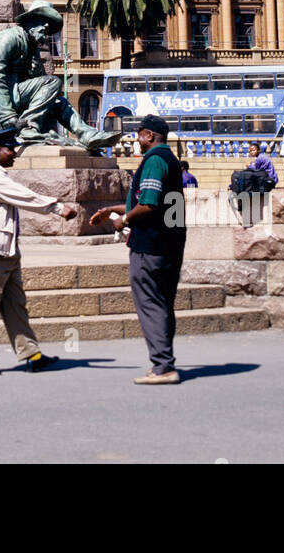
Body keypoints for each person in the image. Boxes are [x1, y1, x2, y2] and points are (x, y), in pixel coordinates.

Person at [0, 127, 77, 376]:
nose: (14, 153)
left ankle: (30, 354)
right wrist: (57, 208)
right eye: (9, 148)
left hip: (4, 251)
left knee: (15, 305)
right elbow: (23, 196)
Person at [90, 114, 186, 385]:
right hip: (170, 243)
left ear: (150, 136)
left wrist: (124, 219)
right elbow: (150, 201)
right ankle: (164, 362)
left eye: (140, 134)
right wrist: (111, 209)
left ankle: (163, 367)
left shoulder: (154, 161)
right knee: (163, 303)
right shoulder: (170, 160)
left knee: (150, 303)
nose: (136, 139)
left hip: (151, 246)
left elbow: (150, 205)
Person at [0, 1, 120, 152]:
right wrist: (7, 116)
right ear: (29, 21)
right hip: (0, 98)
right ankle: (29, 128)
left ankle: (87, 135)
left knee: (59, 102)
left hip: (17, 94)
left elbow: (40, 91)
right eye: (42, 21)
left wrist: (34, 70)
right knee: (53, 83)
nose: (46, 27)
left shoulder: (32, 46)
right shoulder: (8, 38)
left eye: (48, 26)